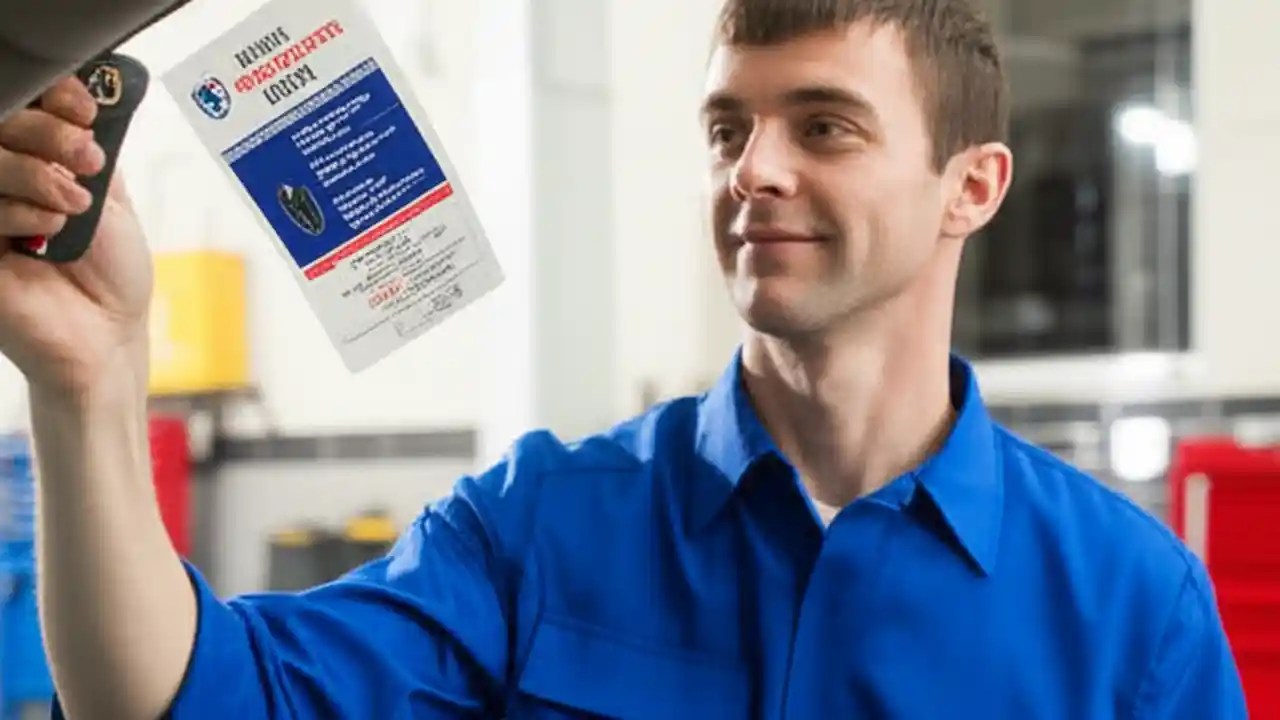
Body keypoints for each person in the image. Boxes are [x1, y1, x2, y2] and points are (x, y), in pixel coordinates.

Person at [0, 0, 1247, 718]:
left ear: (966, 189)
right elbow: (193, 700)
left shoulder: (1129, 608)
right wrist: (89, 381)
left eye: (823, 125)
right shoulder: (535, 529)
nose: (752, 169)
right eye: (726, 128)